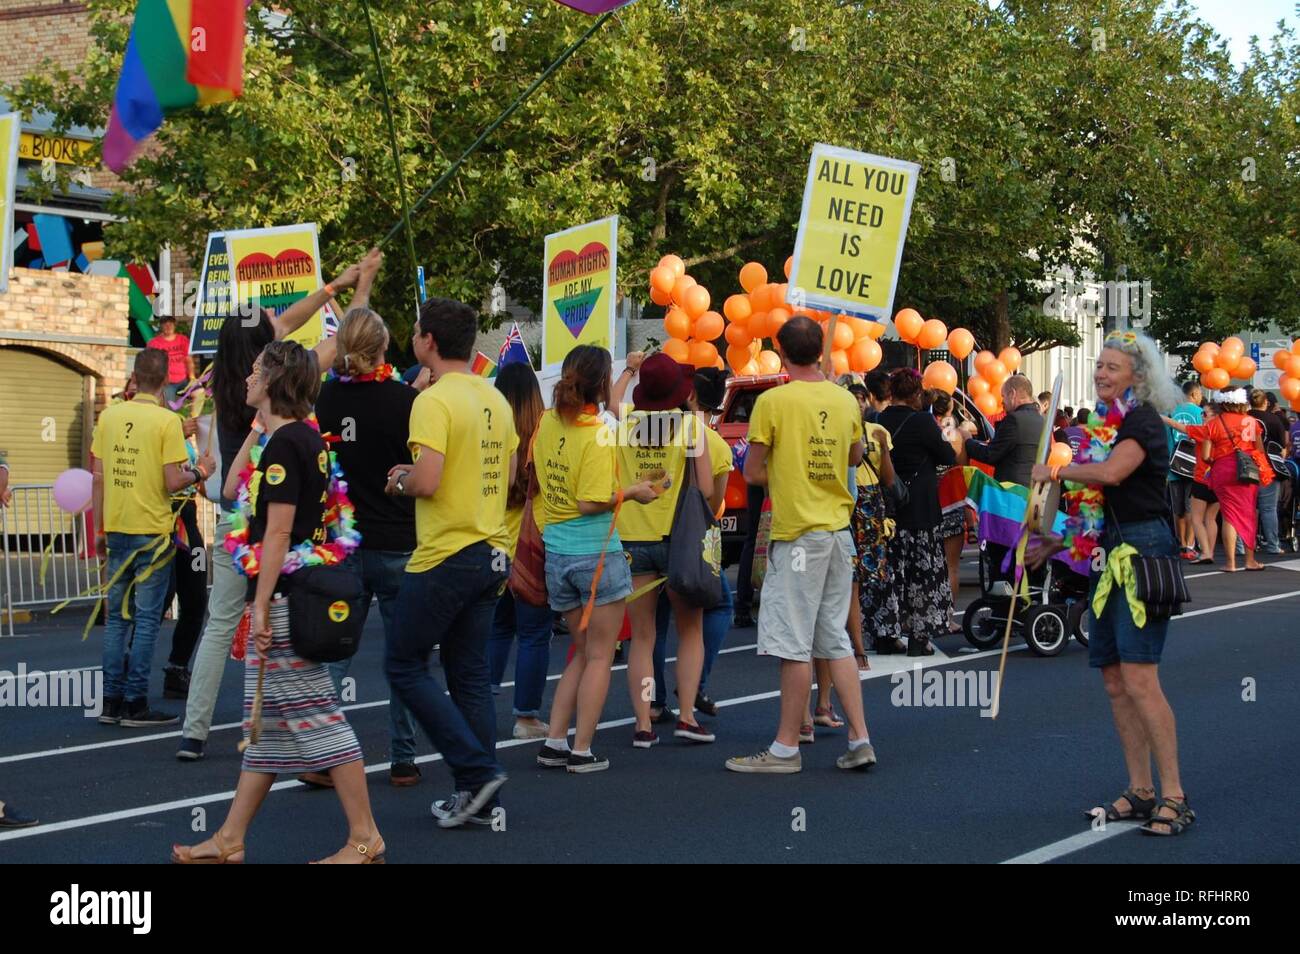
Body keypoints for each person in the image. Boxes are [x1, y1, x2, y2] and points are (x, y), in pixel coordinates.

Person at [172, 340, 382, 863]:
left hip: (286, 600)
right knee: (261, 730)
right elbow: (230, 490)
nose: (246, 377)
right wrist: (256, 429)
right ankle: (230, 838)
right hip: (288, 594)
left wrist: (261, 605)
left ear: (275, 379)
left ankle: (365, 837)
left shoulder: (290, 444)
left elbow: (280, 533)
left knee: (320, 720)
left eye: (257, 370)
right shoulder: (291, 437)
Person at [177, 251, 376, 761]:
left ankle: (194, 732)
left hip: (233, 522)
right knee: (284, 622)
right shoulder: (282, 378)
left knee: (220, 625)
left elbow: (291, 321)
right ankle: (296, 732)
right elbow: (343, 340)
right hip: (273, 529)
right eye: (268, 318)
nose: (275, 315)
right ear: (263, 343)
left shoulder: (235, 379)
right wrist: (359, 287)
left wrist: (334, 283)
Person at [1030, 329, 1192, 837]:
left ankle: (1175, 796)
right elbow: (1096, 508)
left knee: (1142, 679)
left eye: (1112, 367)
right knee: (1115, 679)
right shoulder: (1103, 422)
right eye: (1099, 365)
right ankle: (1141, 790)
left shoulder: (1141, 422)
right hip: (1109, 552)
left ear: (1137, 378)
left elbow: (1115, 475)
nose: (1101, 373)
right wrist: (1057, 543)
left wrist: (1055, 472)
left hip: (1143, 552)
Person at [382, 297, 517, 826]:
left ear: (429, 342)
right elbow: (504, 482)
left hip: (446, 554)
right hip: (489, 553)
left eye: (416, 331)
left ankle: (476, 773)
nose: (412, 338)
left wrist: (400, 480)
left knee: (403, 663)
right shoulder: (495, 398)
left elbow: (429, 480)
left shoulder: (432, 401)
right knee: (468, 674)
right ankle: (480, 796)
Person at [725, 317, 873, 774]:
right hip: (837, 531)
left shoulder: (772, 401)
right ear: (819, 352)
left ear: (779, 350)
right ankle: (860, 738)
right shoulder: (845, 398)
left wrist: (790, 472)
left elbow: (751, 472)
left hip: (798, 533)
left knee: (792, 642)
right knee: (835, 640)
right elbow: (854, 454)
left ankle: (786, 748)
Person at [533, 345, 660, 773]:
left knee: (582, 653)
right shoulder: (598, 433)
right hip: (595, 553)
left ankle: (554, 740)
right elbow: (590, 501)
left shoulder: (547, 422)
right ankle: (582, 749)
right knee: (601, 655)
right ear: (601, 383)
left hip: (557, 552)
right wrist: (633, 492)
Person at [314, 305, 422, 787]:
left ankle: (322, 757)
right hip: (399, 539)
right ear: (383, 348)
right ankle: (403, 758)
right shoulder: (405, 401)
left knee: (336, 653)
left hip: (347, 540)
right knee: (404, 655)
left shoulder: (327, 398)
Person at [91, 348, 213, 728]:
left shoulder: (109, 417)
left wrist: (98, 528)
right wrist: (200, 470)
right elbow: (173, 481)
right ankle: (135, 703)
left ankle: (111, 702)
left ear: (134, 376)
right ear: (163, 382)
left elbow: (96, 476)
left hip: (117, 527)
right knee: (146, 619)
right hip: (153, 531)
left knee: (117, 621)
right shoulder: (165, 422)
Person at [613, 353, 715, 748]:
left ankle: (643, 724)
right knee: (690, 631)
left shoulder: (623, 424)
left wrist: (627, 370)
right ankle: (687, 716)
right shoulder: (691, 426)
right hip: (679, 539)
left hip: (633, 539)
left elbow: (610, 402)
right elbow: (705, 489)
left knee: (642, 636)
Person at [646, 367, 734, 722]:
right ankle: (693, 685)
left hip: (644, 534)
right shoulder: (714, 443)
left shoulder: (650, 431)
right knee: (714, 609)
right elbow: (712, 505)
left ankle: (652, 702)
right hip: (689, 543)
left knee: (650, 627)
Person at [488, 361, 555, 741]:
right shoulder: (544, 431)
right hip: (533, 544)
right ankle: (526, 717)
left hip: (493, 543)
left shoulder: (489, 432)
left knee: (496, 628)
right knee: (533, 633)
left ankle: (480, 701)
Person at [1165, 388, 1271, 573]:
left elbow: (1206, 455)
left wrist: (1219, 462)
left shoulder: (1215, 423)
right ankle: (1250, 560)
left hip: (1222, 470)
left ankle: (1230, 563)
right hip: (1247, 470)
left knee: (1229, 516)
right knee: (1248, 513)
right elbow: (1260, 451)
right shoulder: (1251, 422)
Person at [962, 374, 1044, 486]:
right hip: (1033, 489)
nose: (1002, 402)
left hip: (1011, 491)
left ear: (1012, 394)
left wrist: (968, 441)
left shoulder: (1014, 420)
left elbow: (990, 454)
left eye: (1003, 396)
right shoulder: (1042, 421)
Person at [930, 390, 966, 634]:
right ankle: (948, 617)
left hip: (929, 503)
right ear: (950, 410)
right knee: (951, 565)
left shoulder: (926, 429)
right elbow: (962, 467)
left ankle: (927, 615)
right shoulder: (955, 433)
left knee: (929, 563)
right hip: (952, 501)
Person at [1166, 381, 1204, 559]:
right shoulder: (1200, 413)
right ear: (1194, 394)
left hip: (1174, 466)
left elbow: (1168, 440)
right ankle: (1190, 545)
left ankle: (1181, 543)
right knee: (1191, 507)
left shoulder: (1172, 413)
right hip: (1194, 466)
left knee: (1177, 508)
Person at [1248, 389, 1286, 554]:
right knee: (1268, 508)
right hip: (1268, 467)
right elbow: (1282, 446)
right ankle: (1272, 544)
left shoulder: (1244, 418)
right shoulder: (1274, 419)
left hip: (1246, 465)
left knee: (1247, 508)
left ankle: (1245, 545)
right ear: (1266, 403)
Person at [1186, 403, 1221, 565]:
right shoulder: (1224, 431)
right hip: (1219, 479)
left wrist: (1162, 418)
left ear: (1214, 416)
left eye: (1205, 414)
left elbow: (1181, 427)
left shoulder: (1206, 430)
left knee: (1197, 518)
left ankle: (1206, 552)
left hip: (1202, 477)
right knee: (1211, 518)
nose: (1202, 417)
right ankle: (1210, 551)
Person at [147, 315, 196, 406]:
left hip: (184, 380)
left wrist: (192, 377)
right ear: (161, 326)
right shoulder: (154, 343)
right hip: (167, 382)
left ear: (174, 325)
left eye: (171, 324)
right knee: (170, 406)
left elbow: (188, 360)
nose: (168, 326)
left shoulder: (183, 340)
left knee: (199, 393)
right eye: (165, 324)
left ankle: (193, 418)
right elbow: (151, 365)